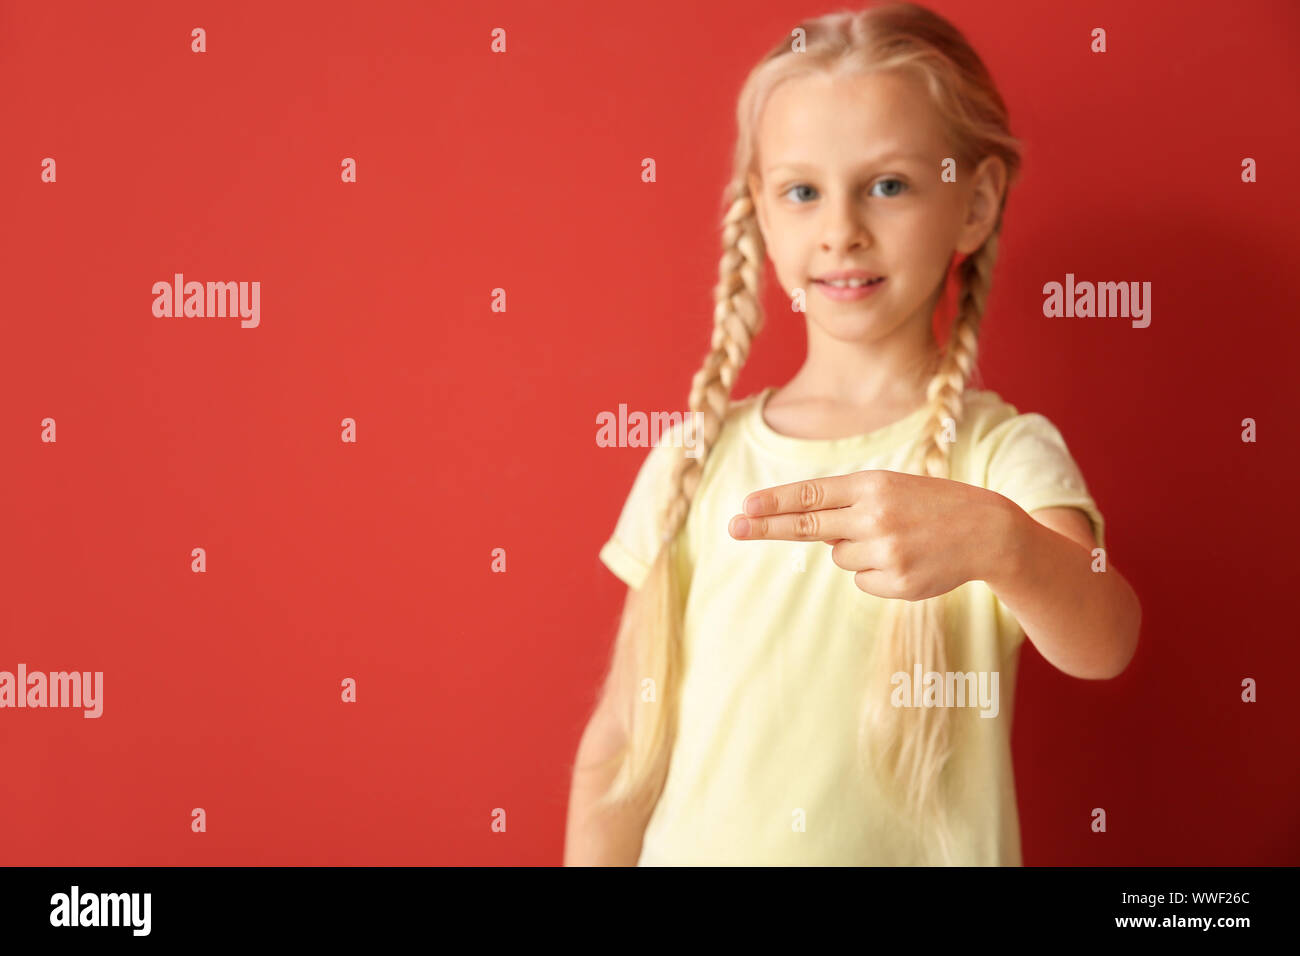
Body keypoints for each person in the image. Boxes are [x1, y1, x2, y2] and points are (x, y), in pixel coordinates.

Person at [565, 1, 1141, 866]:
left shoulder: (1001, 455)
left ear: (975, 204)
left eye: (889, 185)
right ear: (760, 207)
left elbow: (1107, 639)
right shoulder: (695, 458)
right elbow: (618, 745)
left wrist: (1000, 544)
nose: (841, 230)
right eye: (803, 191)